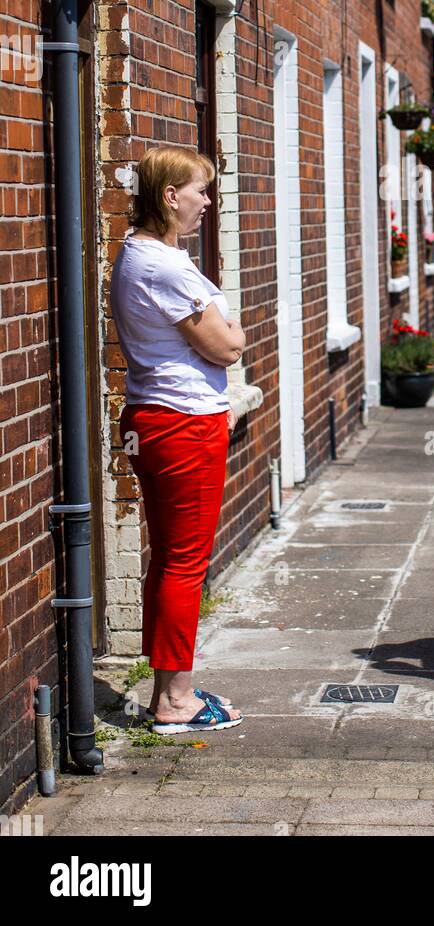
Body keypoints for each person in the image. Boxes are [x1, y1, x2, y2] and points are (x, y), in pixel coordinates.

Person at [110, 146, 247, 734]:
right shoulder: (160, 266)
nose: (207, 202)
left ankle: (170, 688)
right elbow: (225, 346)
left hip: (168, 417)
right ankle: (174, 702)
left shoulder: (147, 256)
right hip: (181, 424)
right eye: (199, 191)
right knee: (185, 562)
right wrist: (232, 331)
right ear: (170, 196)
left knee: (172, 559)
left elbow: (214, 339)